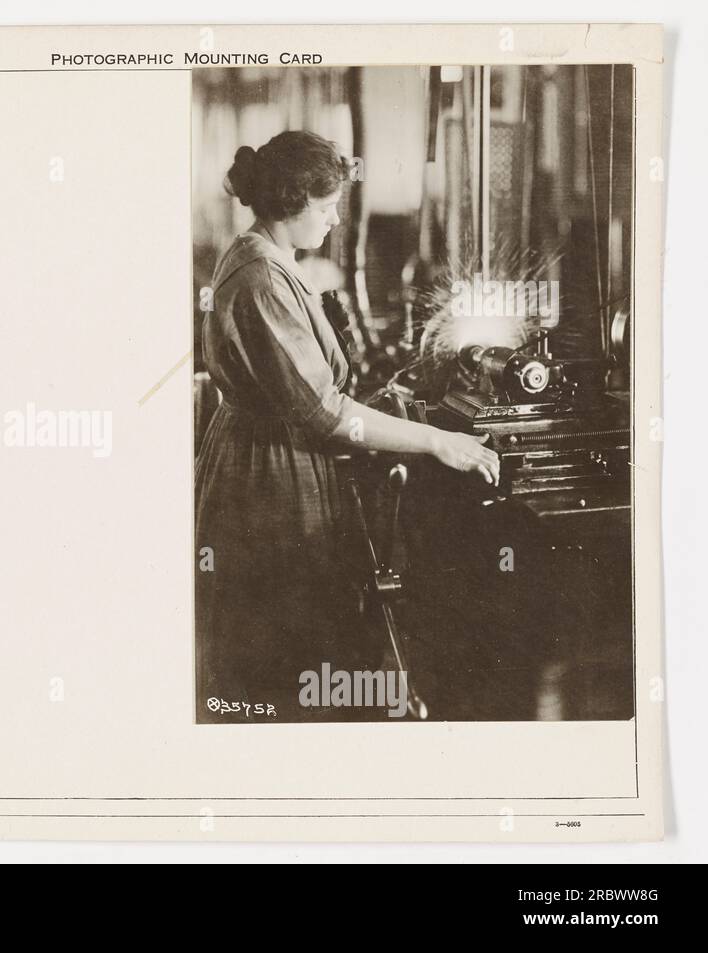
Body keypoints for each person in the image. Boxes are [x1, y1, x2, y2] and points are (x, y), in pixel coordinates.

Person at [194, 131, 500, 723]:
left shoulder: (272, 260)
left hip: (275, 459)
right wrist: (440, 441)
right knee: (286, 655)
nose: (335, 221)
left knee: (297, 647)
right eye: (328, 207)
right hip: (271, 479)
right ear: (292, 203)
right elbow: (326, 415)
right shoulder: (261, 278)